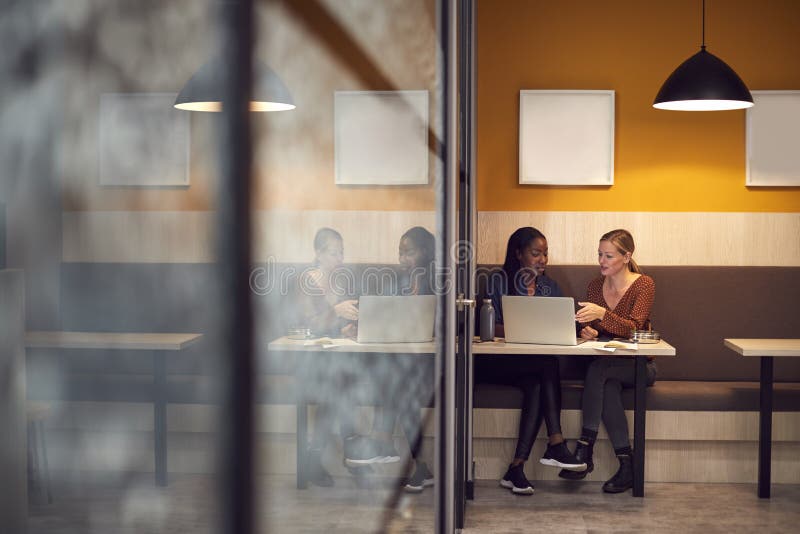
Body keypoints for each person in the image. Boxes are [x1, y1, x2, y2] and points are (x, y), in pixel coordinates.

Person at [478, 227, 585, 495]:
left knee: (538, 383)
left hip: (528, 366)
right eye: (535, 253)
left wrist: (583, 328)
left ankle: (516, 467)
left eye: (545, 253)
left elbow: (565, 321)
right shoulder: (498, 281)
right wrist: (522, 329)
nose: (542, 259)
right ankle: (556, 442)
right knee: (547, 364)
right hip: (496, 363)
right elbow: (487, 328)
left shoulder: (550, 286)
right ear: (518, 254)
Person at [560, 229, 656, 494]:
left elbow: (634, 327)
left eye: (609, 255)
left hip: (639, 366)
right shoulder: (594, 286)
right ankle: (627, 465)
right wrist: (587, 331)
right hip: (607, 368)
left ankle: (584, 447)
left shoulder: (644, 284)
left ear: (627, 256)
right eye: (600, 254)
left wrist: (603, 314)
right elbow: (592, 326)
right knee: (607, 384)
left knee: (599, 369)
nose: (602, 260)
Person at [342, 227, 437, 493]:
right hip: (404, 364)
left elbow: (448, 326)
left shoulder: (440, 281)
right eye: (400, 252)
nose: (403, 258)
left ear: (426, 253)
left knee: (396, 378)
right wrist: (359, 327)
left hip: (432, 365)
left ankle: (382, 440)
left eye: (409, 252)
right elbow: (383, 319)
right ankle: (419, 465)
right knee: (399, 383)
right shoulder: (396, 282)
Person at [295, 227, 362, 486]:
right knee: (341, 382)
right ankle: (353, 451)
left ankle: (315, 458)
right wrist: (336, 311)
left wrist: (347, 327)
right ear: (318, 253)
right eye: (334, 253)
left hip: (332, 361)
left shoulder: (339, 281)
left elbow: (332, 328)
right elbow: (306, 324)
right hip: (307, 361)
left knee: (340, 382)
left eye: (342, 253)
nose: (340, 259)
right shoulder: (305, 281)